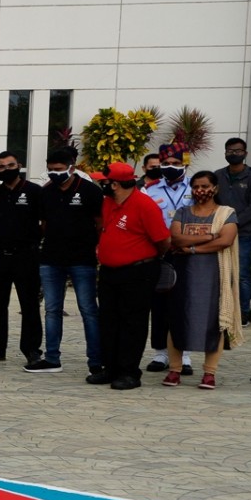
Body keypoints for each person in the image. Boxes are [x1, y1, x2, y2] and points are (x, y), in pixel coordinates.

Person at [30, 146, 103, 378]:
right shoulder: (46, 192)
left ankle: (96, 360)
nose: (54, 173)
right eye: (50, 170)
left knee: (88, 310)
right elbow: (43, 224)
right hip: (51, 259)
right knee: (52, 310)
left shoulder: (90, 191)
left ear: (72, 168)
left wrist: (96, 246)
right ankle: (52, 358)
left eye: (59, 169)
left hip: (82, 259)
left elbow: (100, 223)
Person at [97, 161, 171, 391]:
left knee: (133, 322)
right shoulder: (108, 202)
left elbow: (163, 241)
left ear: (116, 184)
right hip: (110, 271)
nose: (102, 184)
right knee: (109, 321)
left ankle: (129, 372)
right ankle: (110, 368)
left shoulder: (144, 205)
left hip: (138, 271)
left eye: (104, 181)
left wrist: (143, 257)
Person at [165, 171, 241, 389]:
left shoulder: (226, 213)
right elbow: (176, 237)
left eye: (205, 186)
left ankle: (209, 373)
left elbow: (226, 240)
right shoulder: (183, 212)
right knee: (178, 319)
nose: (200, 191)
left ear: (215, 188)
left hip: (214, 276)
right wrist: (209, 236)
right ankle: (174, 370)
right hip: (183, 277)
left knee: (214, 322)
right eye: (196, 187)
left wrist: (191, 250)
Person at [0, 149, 43, 366]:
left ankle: (32, 349)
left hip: (27, 256)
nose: (6, 170)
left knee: (30, 305)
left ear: (19, 165)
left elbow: (46, 221)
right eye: (1, 167)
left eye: (10, 165)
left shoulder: (33, 191)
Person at [144, 144, 194, 375]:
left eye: (175, 163)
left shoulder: (196, 188)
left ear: (184, 163)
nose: (170, 167)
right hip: (160, 253)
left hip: (189, 253)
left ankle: (184, 355)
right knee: (159, 304)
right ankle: (161, 353)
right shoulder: (149, 190)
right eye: (166, 164)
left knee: (186, 304)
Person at [215, 138, 251, 324]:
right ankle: (221, 311)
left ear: (245, 153)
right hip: (218, 233)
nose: (233, 154)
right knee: (219, 273)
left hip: (243, 234)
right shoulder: (217, 175)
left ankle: (243, 314)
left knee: (241, 275)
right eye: (229, 151)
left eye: (237, 151)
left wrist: (233, 223)